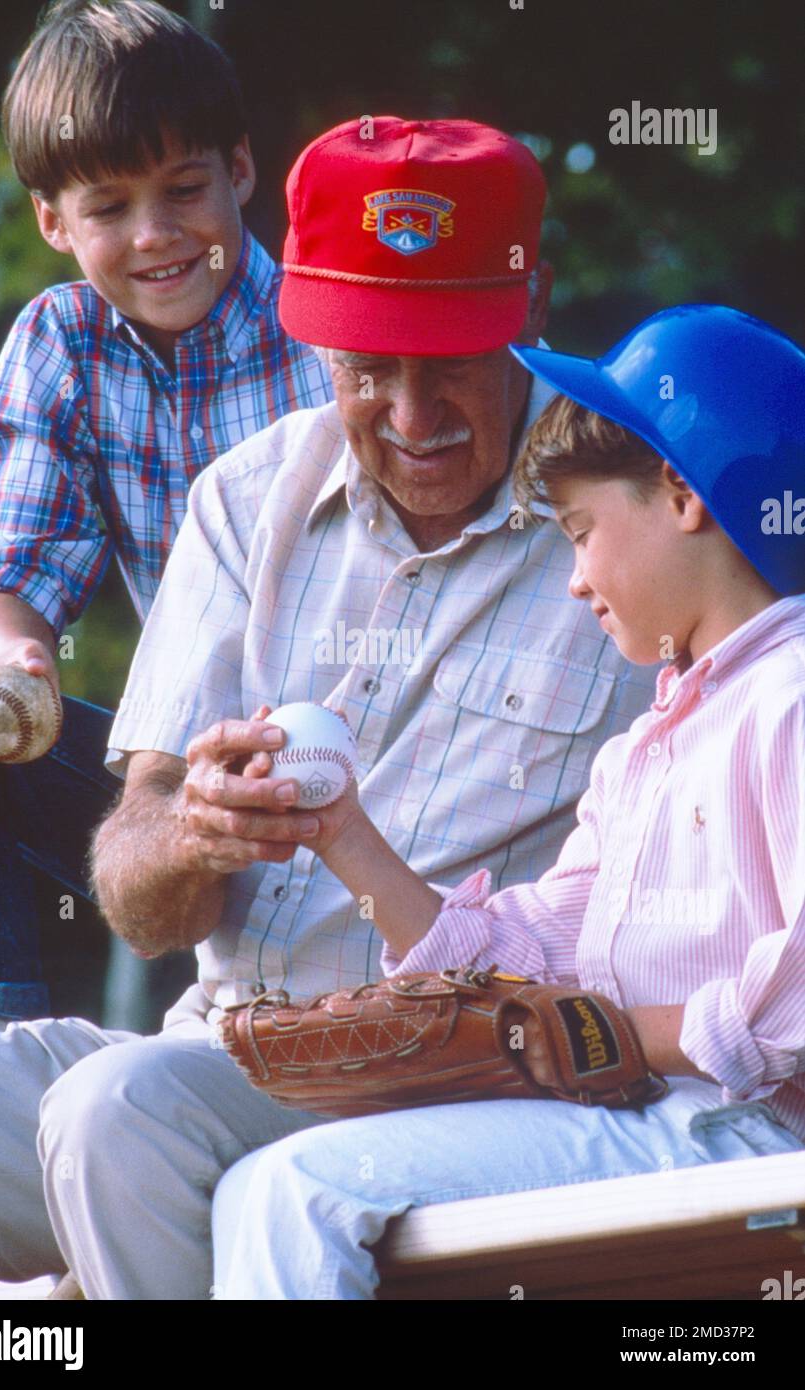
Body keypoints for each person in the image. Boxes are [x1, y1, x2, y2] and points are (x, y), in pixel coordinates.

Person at [0, 115, 657, 1300]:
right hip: (214, 1049)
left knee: (121, 1117)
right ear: (310, 336)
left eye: (453, 359)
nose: (414, 417)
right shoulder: (245, 497)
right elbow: (138, 900)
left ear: (532, 308)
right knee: (107, 1105)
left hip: (444, 1082)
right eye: (369, 367)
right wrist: (191, 830)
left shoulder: (631, 515)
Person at [207, 304, 805, 1300]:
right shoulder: (649, 747)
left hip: (746, 1131)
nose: (573, 581)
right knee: (276, 1184)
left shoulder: (788, 696)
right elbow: (529, 957)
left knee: (294, 1192)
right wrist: (342, 832)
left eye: (580, 533)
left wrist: (606, 1037)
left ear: (682, 495)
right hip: (660, 1120)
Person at [0, 0, 332, 1028]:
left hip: (334, 760)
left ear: (239, 170)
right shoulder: (63, 343)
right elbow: (14, 568)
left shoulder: (325, 339)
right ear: (53, 222)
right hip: (168, 786)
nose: (156, 235)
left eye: (184, 189)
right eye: (109, 207)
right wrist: (16, 661)